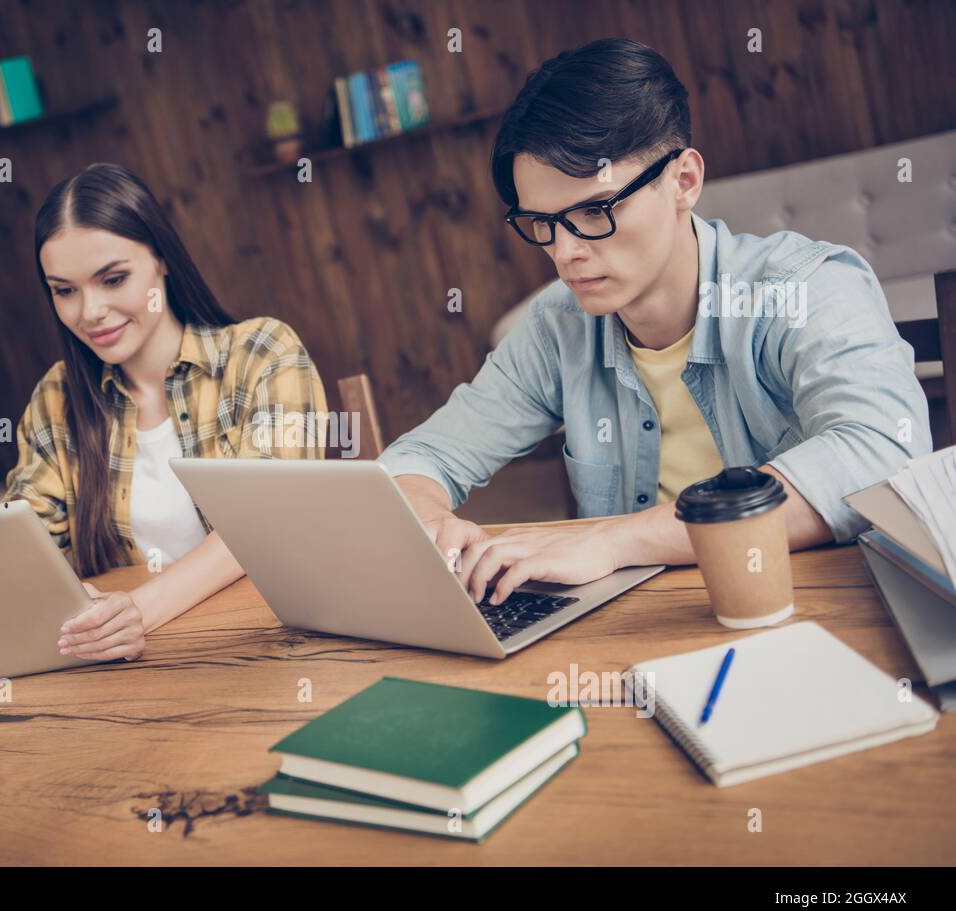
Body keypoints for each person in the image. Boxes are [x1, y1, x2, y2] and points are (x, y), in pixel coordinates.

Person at [377, 37, 931, 606]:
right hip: (638, 633)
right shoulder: (556, 327)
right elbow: (423, 459)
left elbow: (884, 454)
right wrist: (427, 514)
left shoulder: (803, 287)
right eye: (540, 223)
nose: (565, 252)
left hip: (815, 615)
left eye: (595, 210)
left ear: (684, 181)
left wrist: (617, 540)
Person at [0, 163, 328, 662]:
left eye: (113, 279)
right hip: (140, 670)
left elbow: (265, 522)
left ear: (161, 259)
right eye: (65, 290)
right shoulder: (57, 399)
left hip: (277, 649)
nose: (89, 311)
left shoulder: (263, 352)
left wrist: (138, 610)